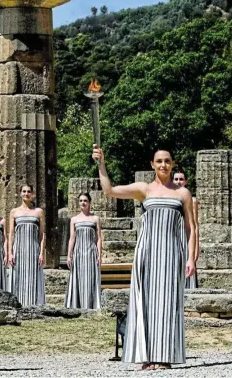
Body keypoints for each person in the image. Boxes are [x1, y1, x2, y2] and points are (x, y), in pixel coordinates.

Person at [92, 145, 195, 370]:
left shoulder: (182, 193)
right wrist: (102, 164)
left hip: (171, 254)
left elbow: (191, 229)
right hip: (147, 253)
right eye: (159, 161)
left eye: (167, 161)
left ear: (173, 164)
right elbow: (109, 191)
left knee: (168, 304)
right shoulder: (144, 189)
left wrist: (191, 258)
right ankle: (148, 356)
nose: (164, 165)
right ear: (152, 165)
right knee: (146, 303)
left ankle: (165, 356)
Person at [8, 184, 45, 306]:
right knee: (18, 276)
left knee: (33, 277)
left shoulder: (38, 212)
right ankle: (17, 304)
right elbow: (11, 234)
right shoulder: (14, 212)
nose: (26, 193)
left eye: (29, 191)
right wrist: (10, 253)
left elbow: (42, 234)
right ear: (20, 194)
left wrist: (41, 253)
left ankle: (33, 305)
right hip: (18, 249)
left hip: (33, 249)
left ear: (32, 194)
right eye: (24, 191)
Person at [64, 193, 102, 309]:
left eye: (85, 200)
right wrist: (69, 255)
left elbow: (99, 238)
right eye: (80, 201)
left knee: (91, 279)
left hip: (91, 253)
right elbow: (72, 238)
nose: (83, 203)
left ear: (89, 202)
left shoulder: (95, 219)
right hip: (79, 253)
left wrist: (100, 255)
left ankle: (92, 305)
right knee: (78, 278)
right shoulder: (74, 219)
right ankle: (77, 304)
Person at [173, 170, 199, 288]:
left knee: (187, 272)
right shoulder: (169, 198)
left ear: (186, 182)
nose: (178, 182)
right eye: (176, 179)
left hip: (187, 239)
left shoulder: (192, 201)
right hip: (172, 239)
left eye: (181, 179)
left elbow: (195, 226)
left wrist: (195, 250)